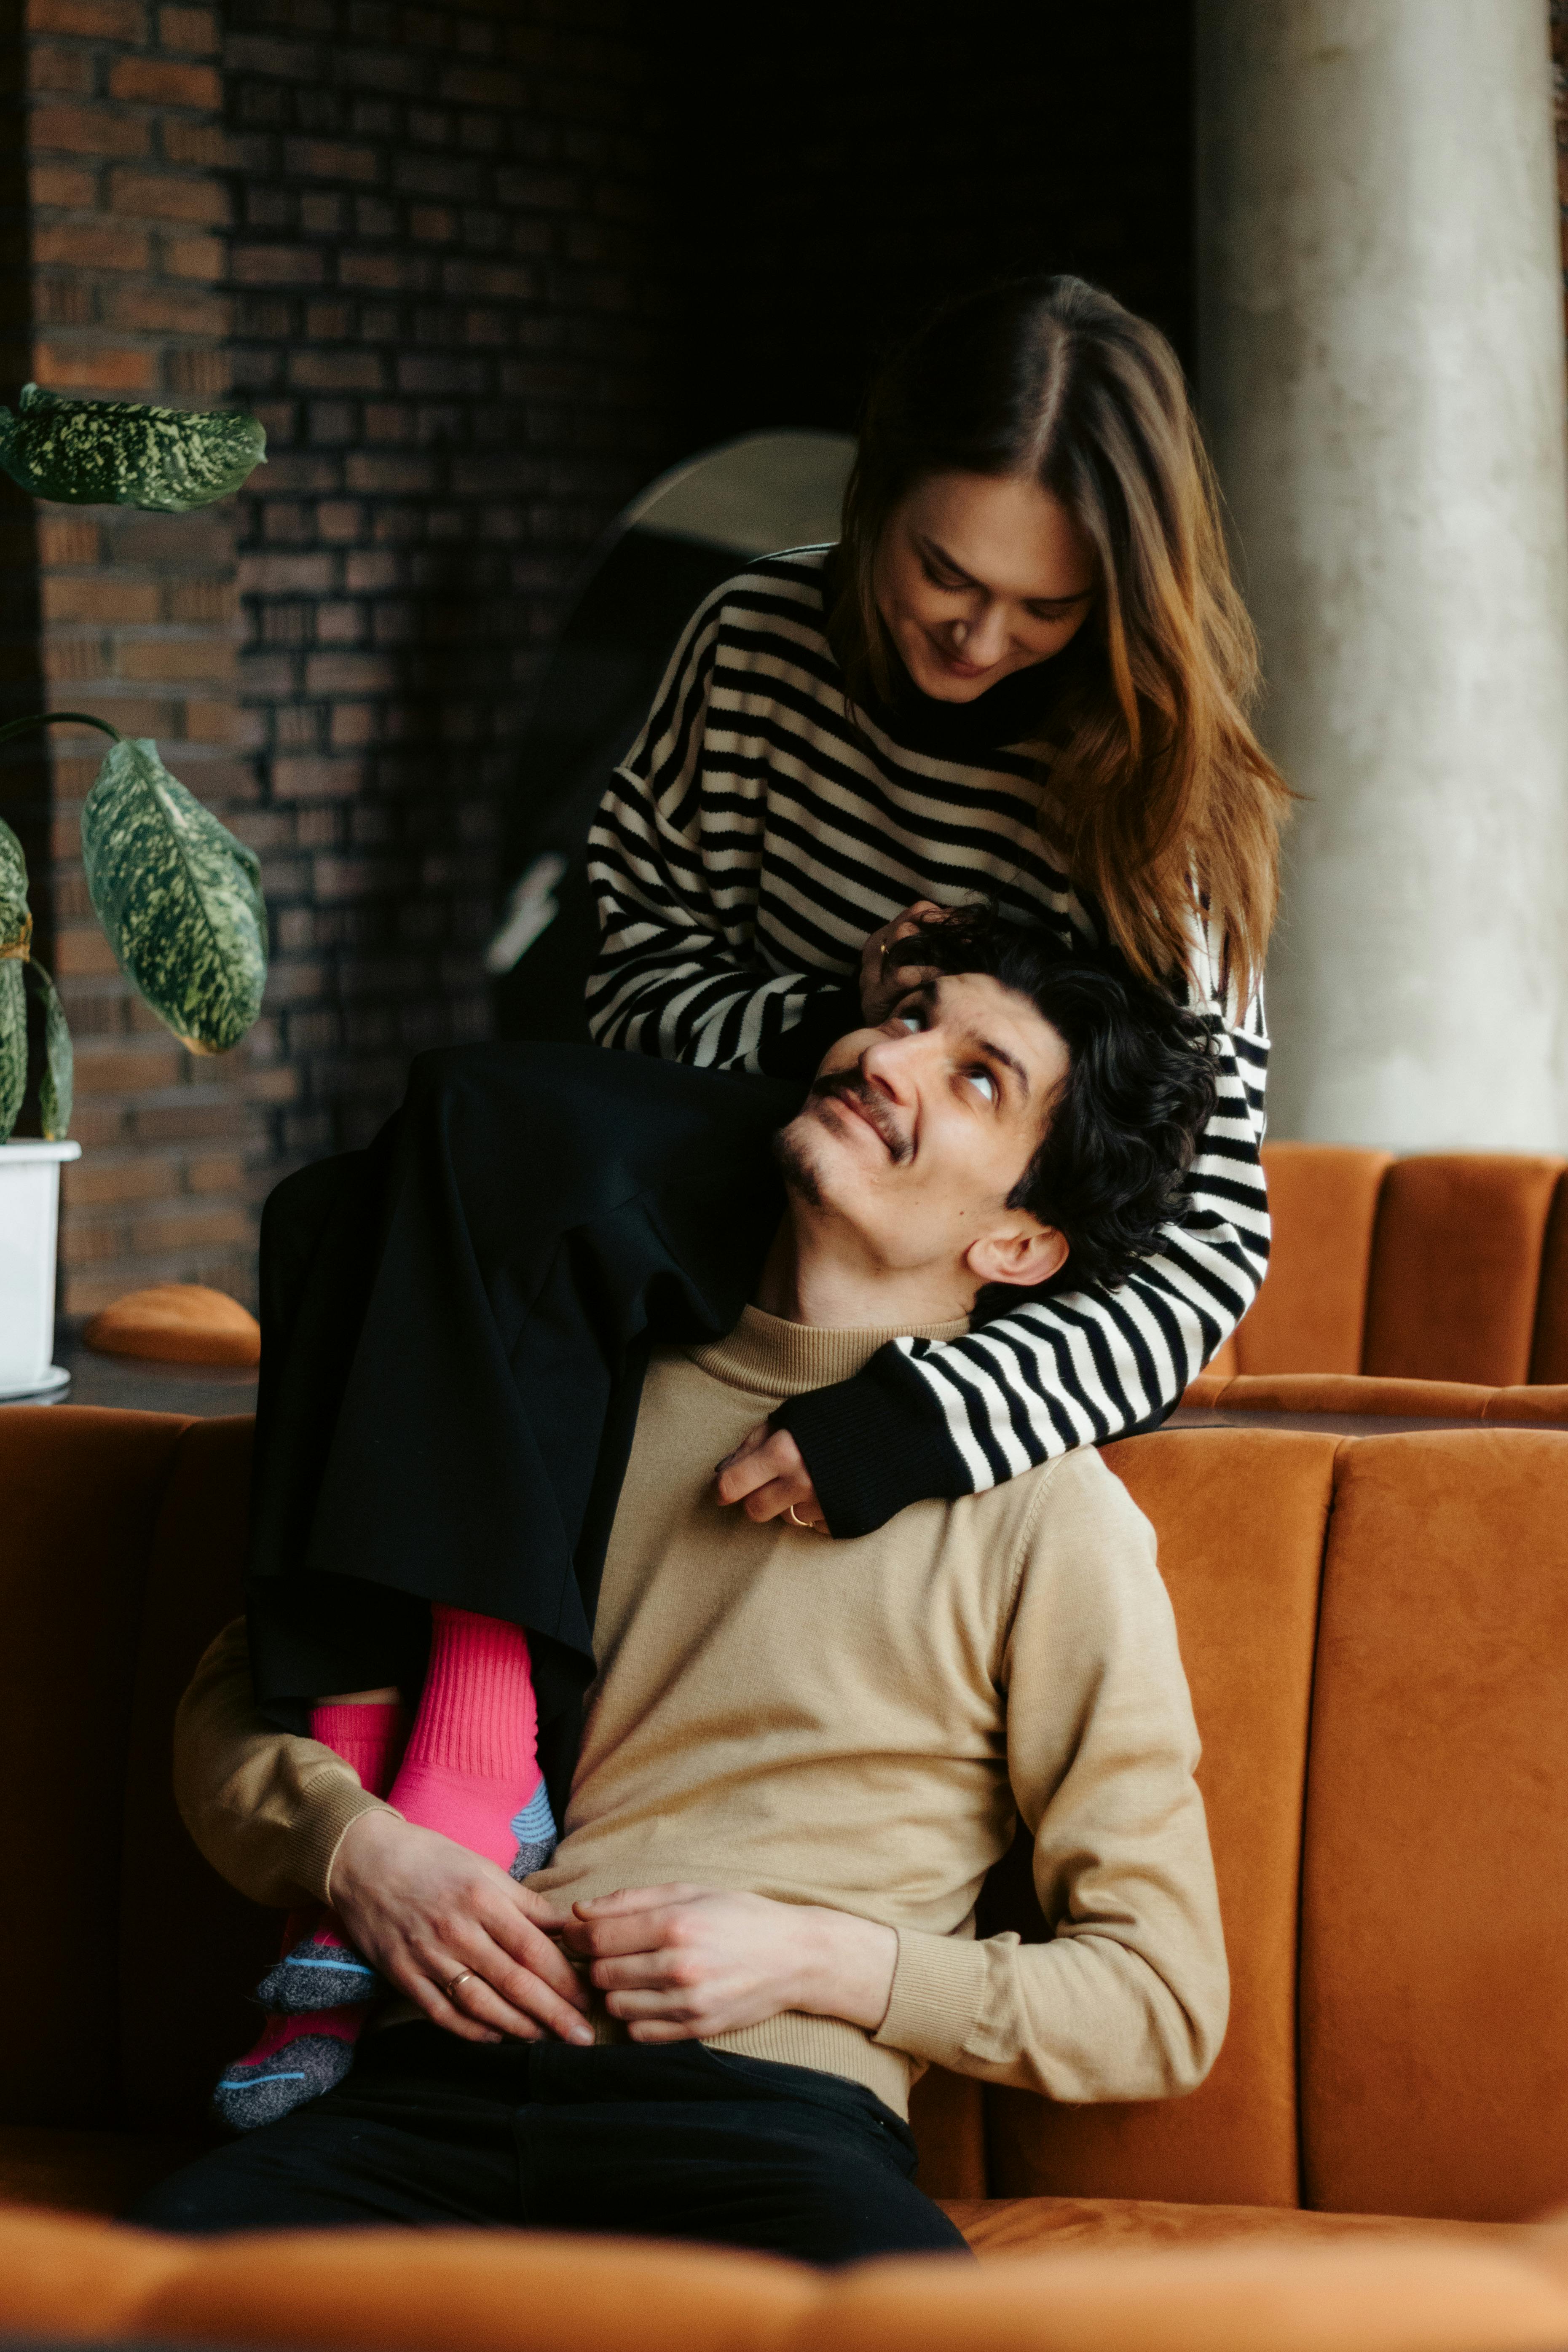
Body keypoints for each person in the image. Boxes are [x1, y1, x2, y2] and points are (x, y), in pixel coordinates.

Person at [134, 912, 1228, 2266]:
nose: (891, 1059)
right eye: (905, 1017)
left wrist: (820, 1962)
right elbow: (250, 1683)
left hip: (768, 2122)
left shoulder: (1050, 1517)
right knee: (105, 2308)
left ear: (1018, 1245)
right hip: (426, 2089)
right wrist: (359, 1854)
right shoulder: (562, 1369)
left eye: (975, 1077)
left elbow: (1160, 1999)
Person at [588, 272, 1288, 1540]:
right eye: (943, 573)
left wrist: (917, 1426)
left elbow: (1204, 1250)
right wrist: (849, 1034)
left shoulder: (1159, 790)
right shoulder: (752, 640)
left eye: (1046, 608)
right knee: (460, 1138)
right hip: (711, 1257)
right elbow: (624, 994)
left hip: (971, 1370)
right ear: (879, 496)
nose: (975, 640)